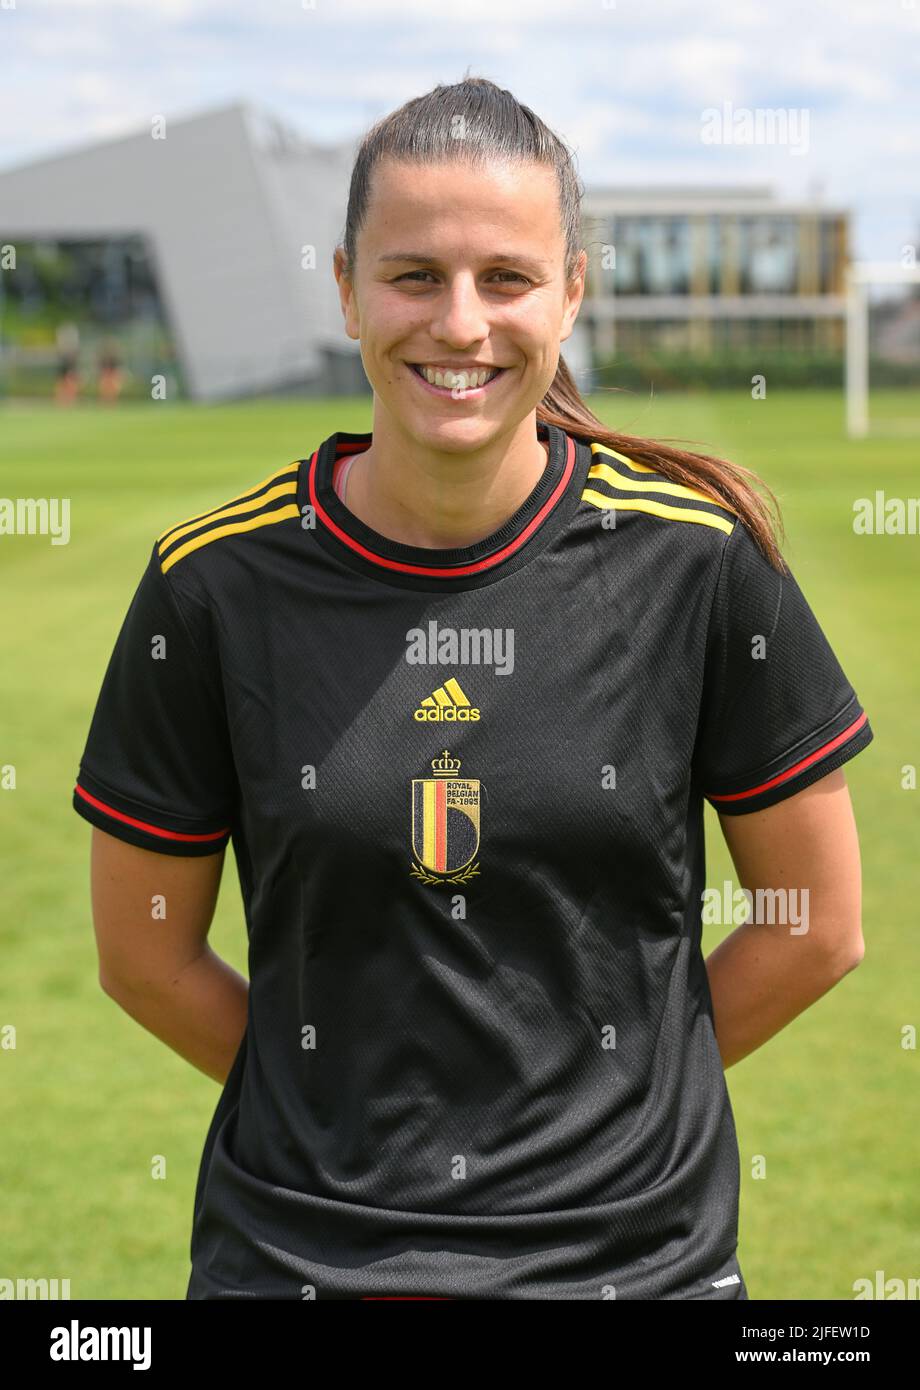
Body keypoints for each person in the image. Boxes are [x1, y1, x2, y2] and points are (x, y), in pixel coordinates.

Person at [71, 76, 873, 1301]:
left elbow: (814, 923)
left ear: (570, 292)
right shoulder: (211, 587)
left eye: (504, 278)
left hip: (631, 1271)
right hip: (299, 1264)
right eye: (411, 276)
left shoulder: (698, 562)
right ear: (343, 289)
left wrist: (610, 1110)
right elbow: (141, 954)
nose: (459, 324)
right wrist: (329, 1109)